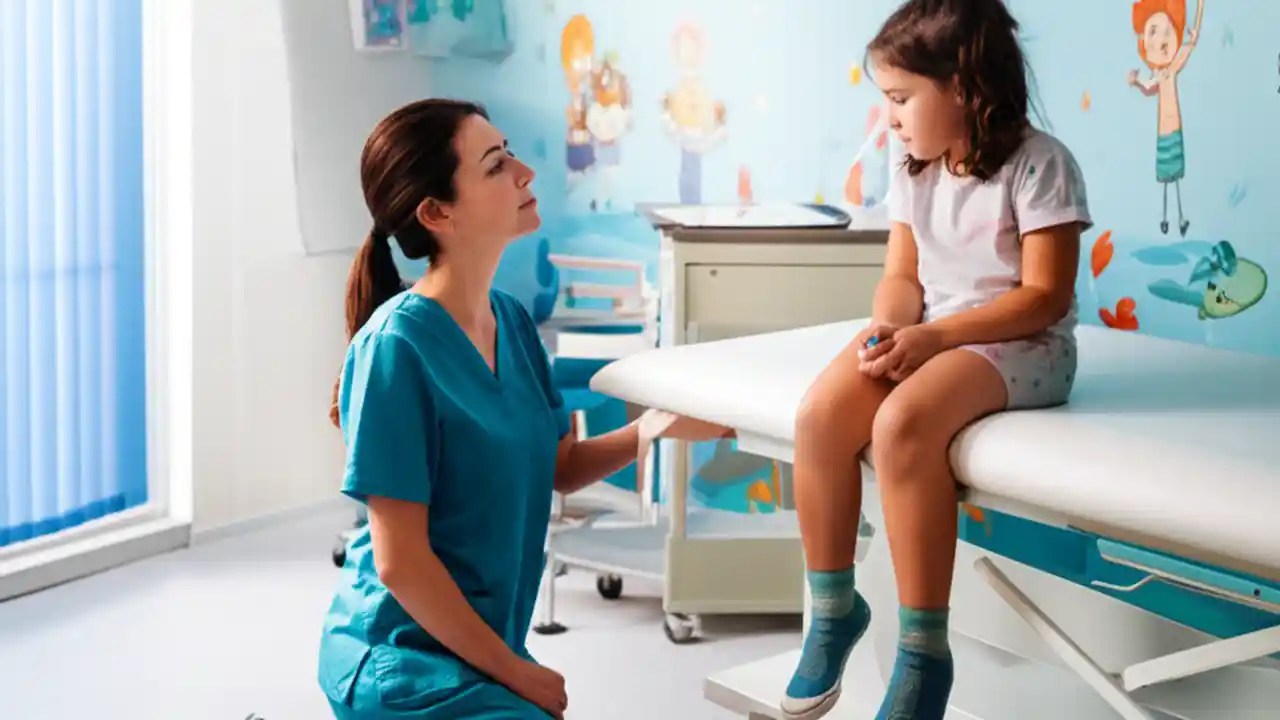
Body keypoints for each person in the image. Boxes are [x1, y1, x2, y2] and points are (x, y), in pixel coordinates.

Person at [315, 98, 703, 719]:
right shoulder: (395, 348)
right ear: (437, 212)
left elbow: (560, 466)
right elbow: (400, 564)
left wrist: (653, 429)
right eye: (496, 165)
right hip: (400, 657)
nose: (525, 173)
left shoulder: (512, 322)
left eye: (510, 155)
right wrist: (517, 671)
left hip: (475, 647)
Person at [780, 2, 1091, 719]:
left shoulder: (1040, 165)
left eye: (899, 98)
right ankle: (834, 610)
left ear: (963, 88)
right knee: (821, 416)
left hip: (1023, 346)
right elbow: (902, 274)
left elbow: (1044, 297)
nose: (888, 118)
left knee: (901, 427)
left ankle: (924, 653)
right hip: (933, 334)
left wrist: (935, 340)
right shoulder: (911, 165)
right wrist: (892, 328)